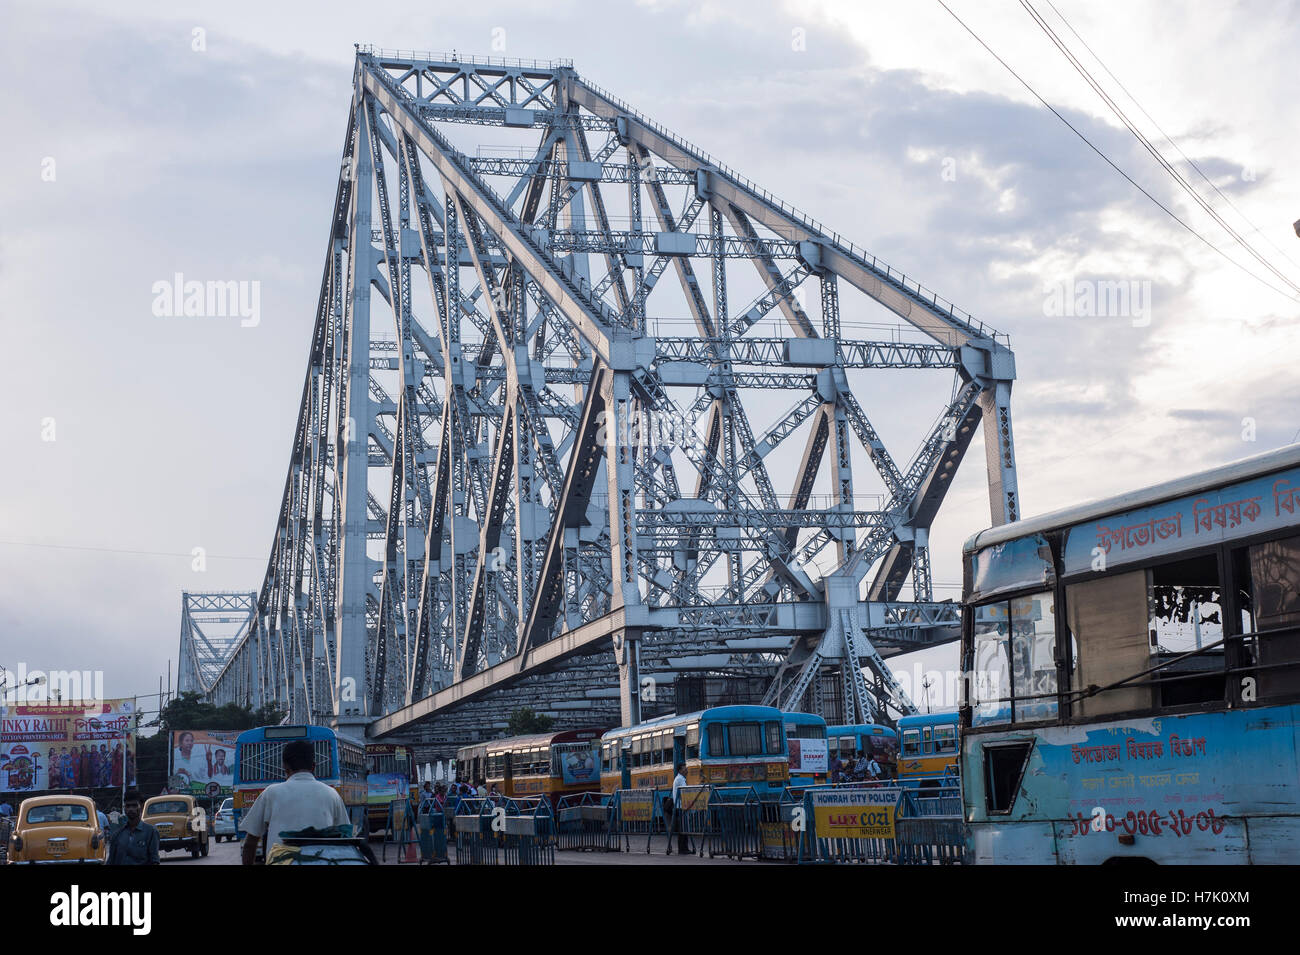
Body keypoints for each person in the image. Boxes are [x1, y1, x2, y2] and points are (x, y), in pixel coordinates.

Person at [239, 740, 351, 865]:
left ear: (285, 768)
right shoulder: (332, 794)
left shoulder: (271, 793)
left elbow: (250, 843)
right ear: (313, 766)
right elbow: (345, 839)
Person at [106, 790, 160, 865]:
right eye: (128, 806)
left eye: (134, 805)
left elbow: (154, 861)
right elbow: (110, 861)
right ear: (124, 808)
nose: (131, 809)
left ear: (141, 806)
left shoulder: (151, 832)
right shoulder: (117, 835)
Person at [668, 763, 689, 856]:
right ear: (680, 770)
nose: (686, 770)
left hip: (680, 806)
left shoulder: (680, 778)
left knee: (683, 828)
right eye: (685, 769)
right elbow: (684, 792)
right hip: (680, 807)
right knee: (683, 828)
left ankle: (684, 848)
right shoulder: (680, 779)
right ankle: (683, 849)